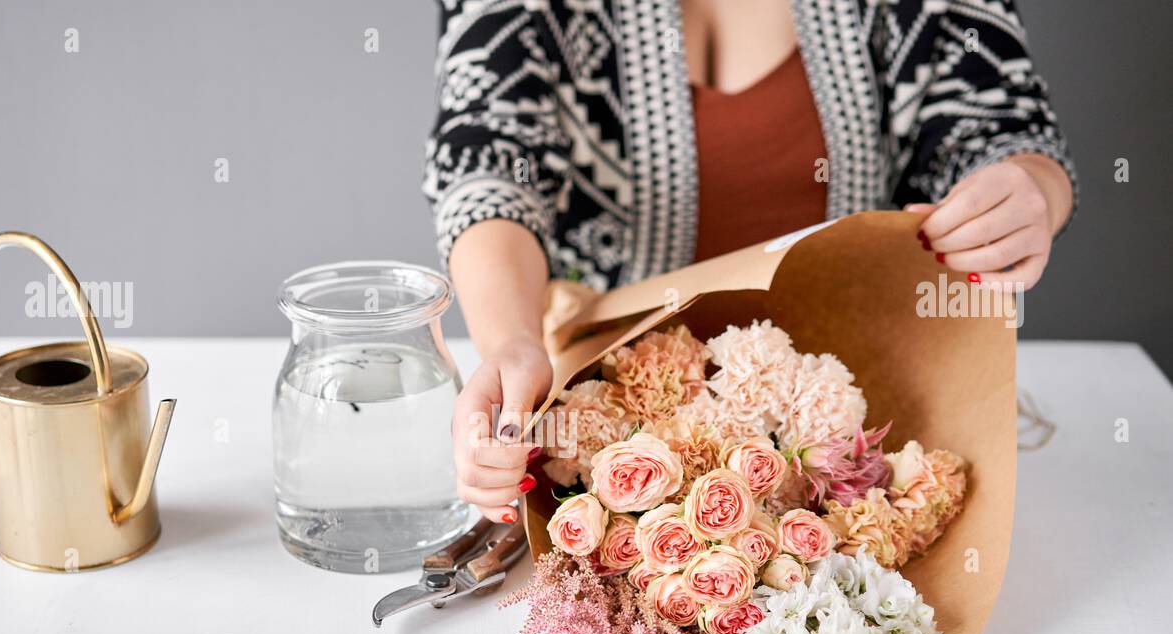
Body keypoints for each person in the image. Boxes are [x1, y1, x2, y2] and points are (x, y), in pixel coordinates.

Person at [423, 0, 1075, 524]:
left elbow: (1002, 129)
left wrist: (1030, 192)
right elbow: (491, 166)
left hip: (878, 434)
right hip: (613, 452)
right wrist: (509, 342)